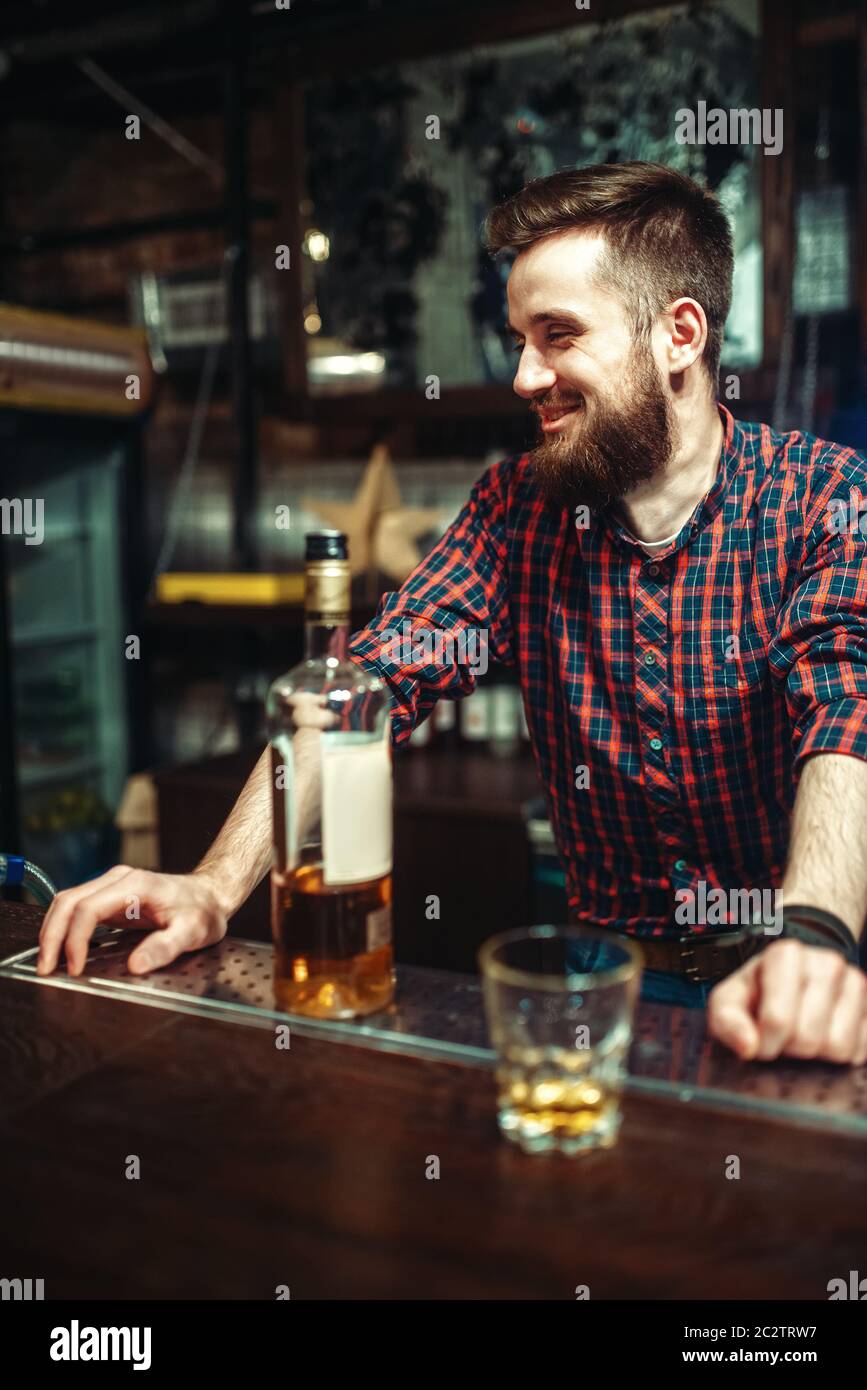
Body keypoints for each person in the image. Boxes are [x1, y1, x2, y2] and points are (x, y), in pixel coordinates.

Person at [37, 162, 867, 1065]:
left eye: (557, 336)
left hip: (794, 973)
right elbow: (364, 688)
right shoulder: (518, 509)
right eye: (517, 338)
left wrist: (814, 938)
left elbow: (847, 713)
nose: (523, 375)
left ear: (678, 333)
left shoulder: (823, 500)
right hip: (606, 978)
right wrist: (212, 884)